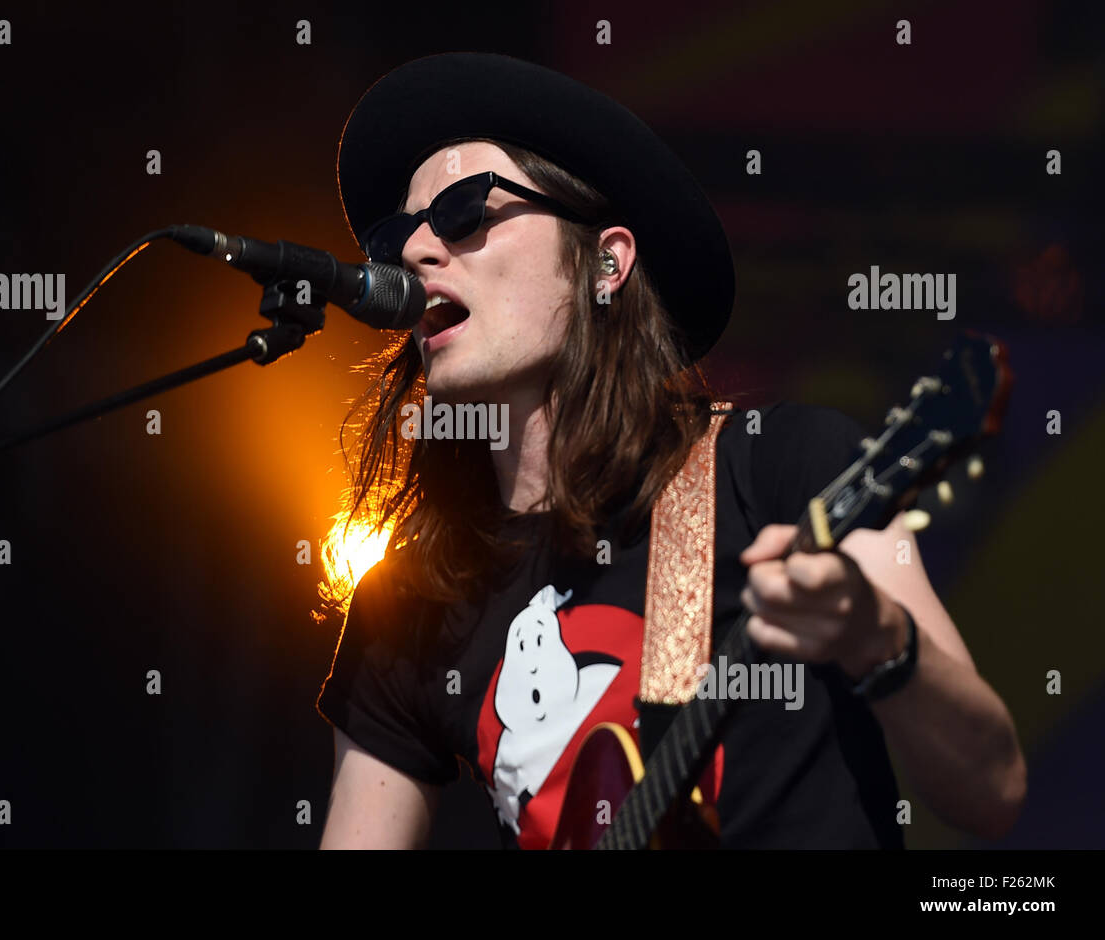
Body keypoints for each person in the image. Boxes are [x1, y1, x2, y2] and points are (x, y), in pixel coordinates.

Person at [315, 52, 1025, 849]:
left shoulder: (785, 467)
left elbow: (993, 791)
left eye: (463, 211)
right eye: (396, 233)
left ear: (607, 263)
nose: (416, 250)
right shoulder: (410, 605)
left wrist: (878, 639)